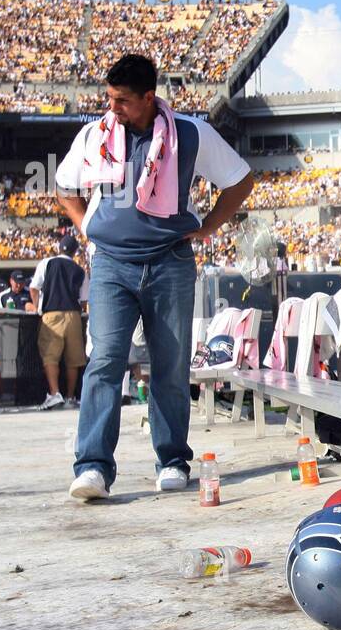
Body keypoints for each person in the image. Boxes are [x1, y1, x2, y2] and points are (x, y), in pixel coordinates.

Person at [54, 54, 253, 500]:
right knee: (105, 359)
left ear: (149, 97)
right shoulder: (94, 135)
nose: (113, 108)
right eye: (109, 98)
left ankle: (172, 458)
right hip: (110, 263)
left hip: (169, 261)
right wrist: (89, 228)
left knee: (170, 363)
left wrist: (207, 227)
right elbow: (65, 187)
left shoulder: (189, 132)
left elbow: (240, 181)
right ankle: (93, 468)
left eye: (122, 101)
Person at [28, 235, 89, 410]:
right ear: (75, 251)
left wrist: (37, 307)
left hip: (52, 313)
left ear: (58, 247)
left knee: (50, 356)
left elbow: (34, 288)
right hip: (73, 315)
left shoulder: (47, 263)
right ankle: (70, 397)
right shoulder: (79, 270)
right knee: (74, 359)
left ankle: (55, 394)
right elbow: (84, 300)